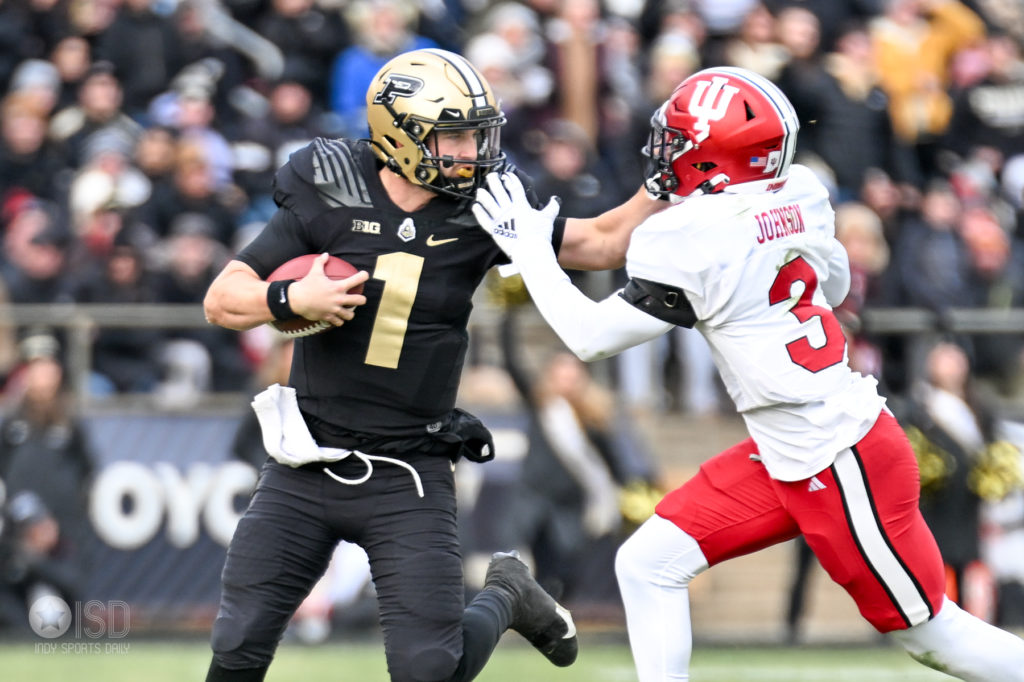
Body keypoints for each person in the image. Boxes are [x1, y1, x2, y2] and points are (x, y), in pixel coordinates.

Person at [473, 65, 1024, 681]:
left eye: (680, 142)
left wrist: (528, 252)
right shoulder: (802, 191)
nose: (665, 155)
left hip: (838, 457)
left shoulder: (695, 237)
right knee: (647, 563)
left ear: (717, 158)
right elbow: (835, 281)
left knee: (935, 637)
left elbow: (591, 337)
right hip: (789, 445)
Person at [201, 48, 663, 682]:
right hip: (306, 460)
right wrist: (287, 298)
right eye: (455, 136)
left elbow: (603, 241)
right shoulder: (330, 182)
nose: (474, 151)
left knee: (428, 673)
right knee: (235, 643)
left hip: (409, 470)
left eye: (476, 134)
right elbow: (221, 299)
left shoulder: (485, 201)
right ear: (400, 135)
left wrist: (660, 185)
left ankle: (507, 594)